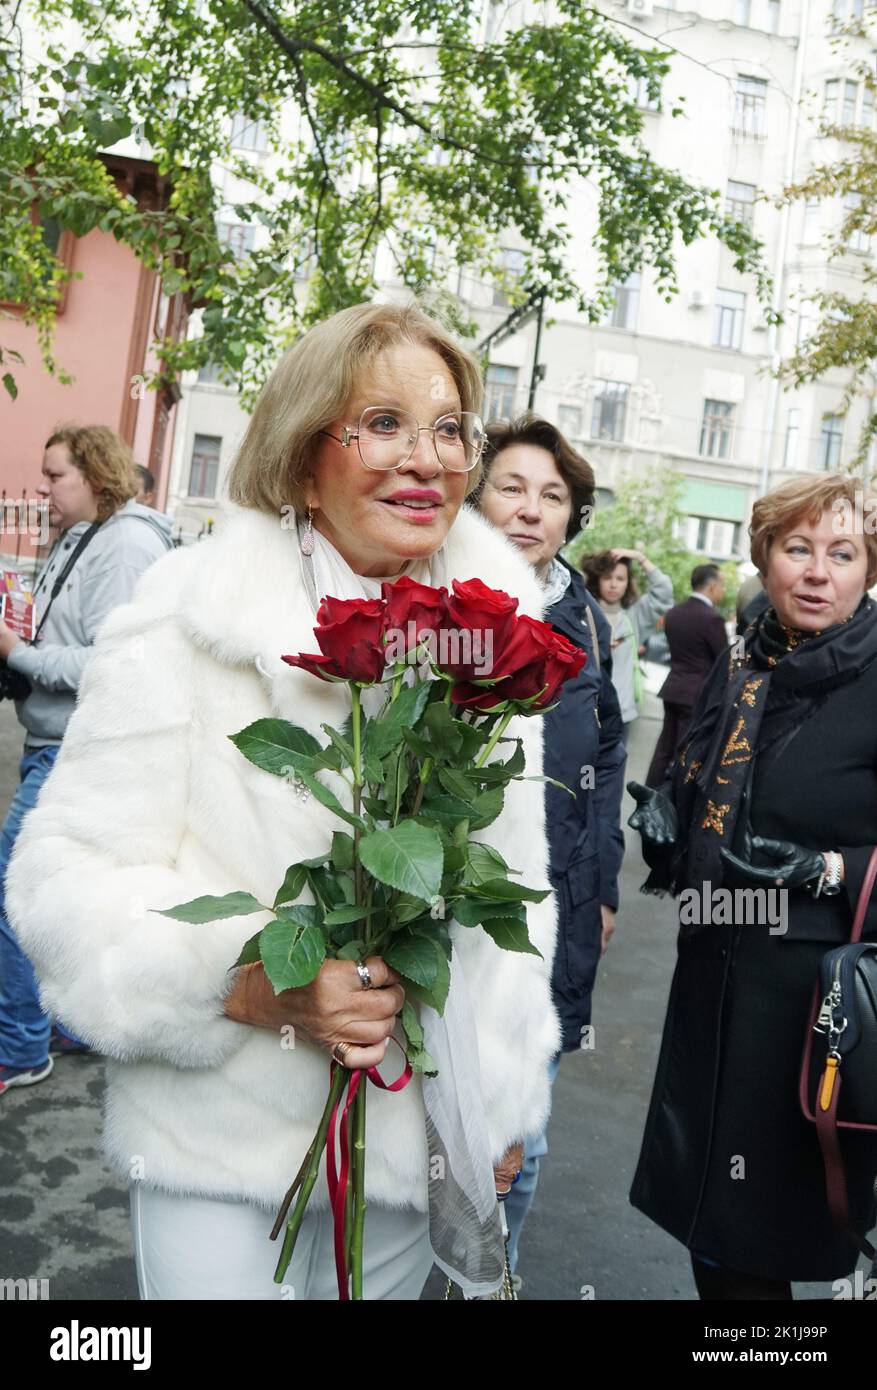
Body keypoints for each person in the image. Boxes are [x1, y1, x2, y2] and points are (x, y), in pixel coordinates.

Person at [5, 302, 561, 1301]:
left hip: (410, 1134)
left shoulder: (493, 640)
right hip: (221, 1137)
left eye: (447, 428)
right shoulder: (183, 620)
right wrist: (250, 983)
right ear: (304, 455)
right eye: (382, 423)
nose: (426, 458)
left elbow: (513, 896)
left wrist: (505, 1101)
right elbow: (63, 881)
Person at [627, 473, 877, 1299]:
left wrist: (835, 869)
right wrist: (666, 818)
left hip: (808, 1010)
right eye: (796, 548)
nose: (817, 571)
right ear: (763, 558)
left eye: (841, 553)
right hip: (711, 977)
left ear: (866, 569)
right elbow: (708, 794)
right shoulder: (745, 665)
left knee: (760, 1240)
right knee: (710, 1230)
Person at [472, 414, 626, 1277]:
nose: (531, 510)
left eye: (553, 496)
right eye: (512, 487)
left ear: (571, 519)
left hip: (551, 910)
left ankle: (491, 1284)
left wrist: (600, 887)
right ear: (475, 494)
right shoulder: (432, 601)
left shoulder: (581, 618)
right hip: (446, 911)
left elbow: (604, 750)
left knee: (517, 1150)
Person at [0, 425, 173, 1096]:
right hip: (52, 742)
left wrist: (16, 651)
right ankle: (64, 1025)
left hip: (76, 748)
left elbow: (111, 657)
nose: (42, 489)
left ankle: (18, 1046)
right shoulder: (89, 534)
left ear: (94, 477)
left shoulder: (127, 541)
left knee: (14, 893)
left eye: (54, 476)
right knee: (63, 895)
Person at [645, 562, 727, 789]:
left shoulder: (674, 613)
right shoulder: (711, 618)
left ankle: (649, 794)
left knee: (664, 748)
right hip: (697, 694)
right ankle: (673, 803)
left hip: (673, 687)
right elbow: (723, 659)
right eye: (723, 585)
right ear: (711, 587)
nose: (724, 591)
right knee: (686, 751)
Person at [580, 548, 673, 742]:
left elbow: (663, 592)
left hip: (621, 713)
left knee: (612, 768)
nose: (613, 584)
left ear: (627, 583)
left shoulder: (635, 615)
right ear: (598, 579)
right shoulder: (583, 612)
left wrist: (640, 557)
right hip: (585, 709)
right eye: (607, 577)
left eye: (620, 579)